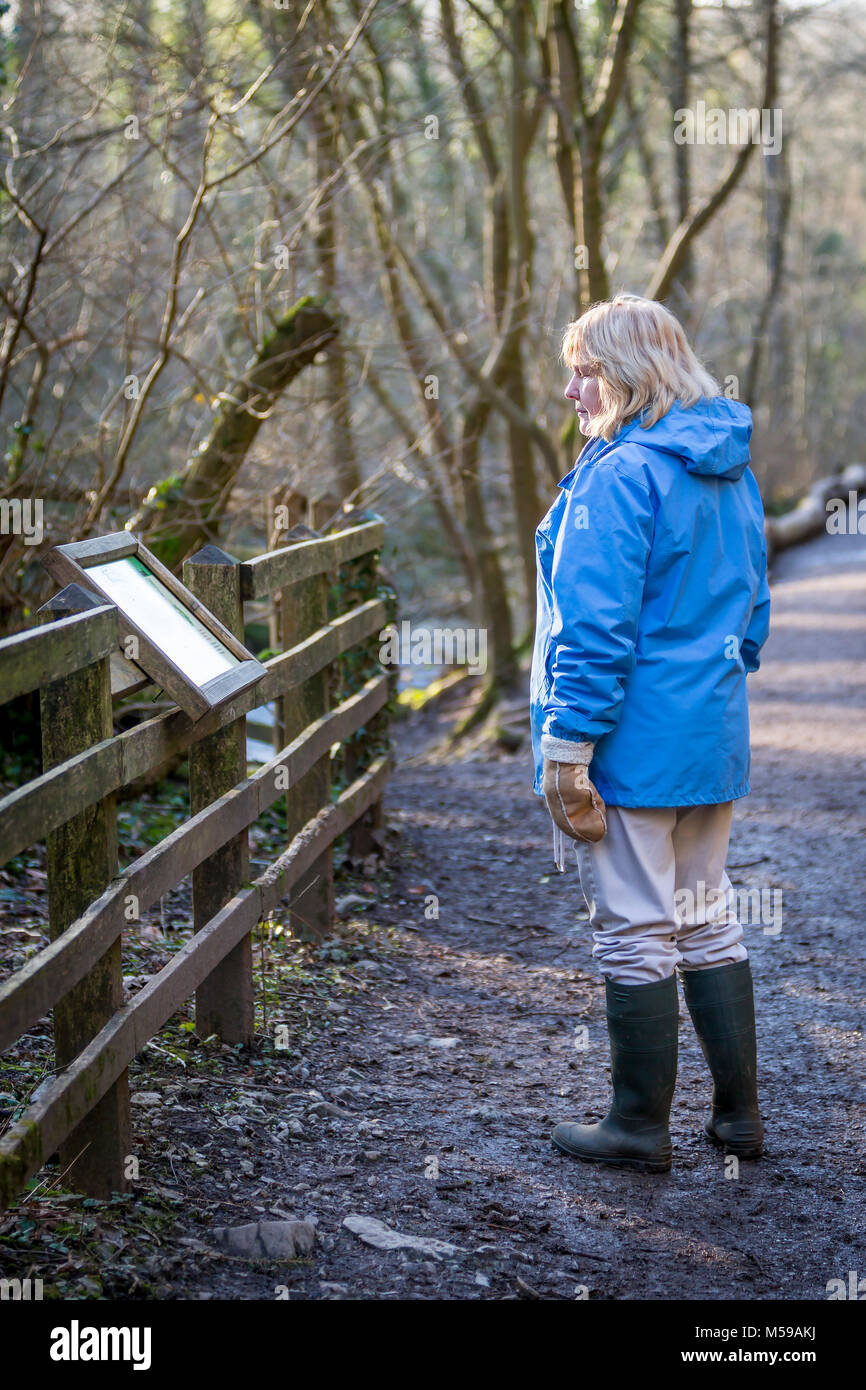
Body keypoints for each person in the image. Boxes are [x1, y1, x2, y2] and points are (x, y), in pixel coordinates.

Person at [530, 293, 770, 1174]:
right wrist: (707, 690)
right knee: (706, 917)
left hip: (634, 741)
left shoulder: (619, 475)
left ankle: (637, 1126)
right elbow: (753, 612)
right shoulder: (728, 469)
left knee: (635, 925)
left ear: (627, 375)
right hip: (710, 737)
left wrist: (569, 746)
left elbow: (593, 630)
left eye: (583, 372)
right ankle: (738, 1121)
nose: (569, 390)